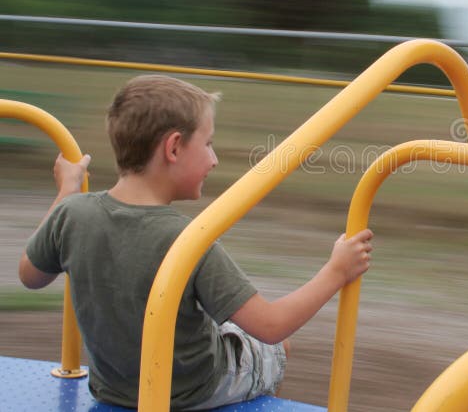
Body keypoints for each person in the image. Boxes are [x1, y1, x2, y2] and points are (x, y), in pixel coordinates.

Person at [17, 74, 374, 410]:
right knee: (278, 348)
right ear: (173, 147)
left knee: (224, 326)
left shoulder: (73, 214)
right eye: (208, 143)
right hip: (191, 390)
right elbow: (271, 326)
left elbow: (30, 275)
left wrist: (66, 190)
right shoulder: (186, 240)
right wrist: (336, 271)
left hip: (112, 387)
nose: (215, 159)